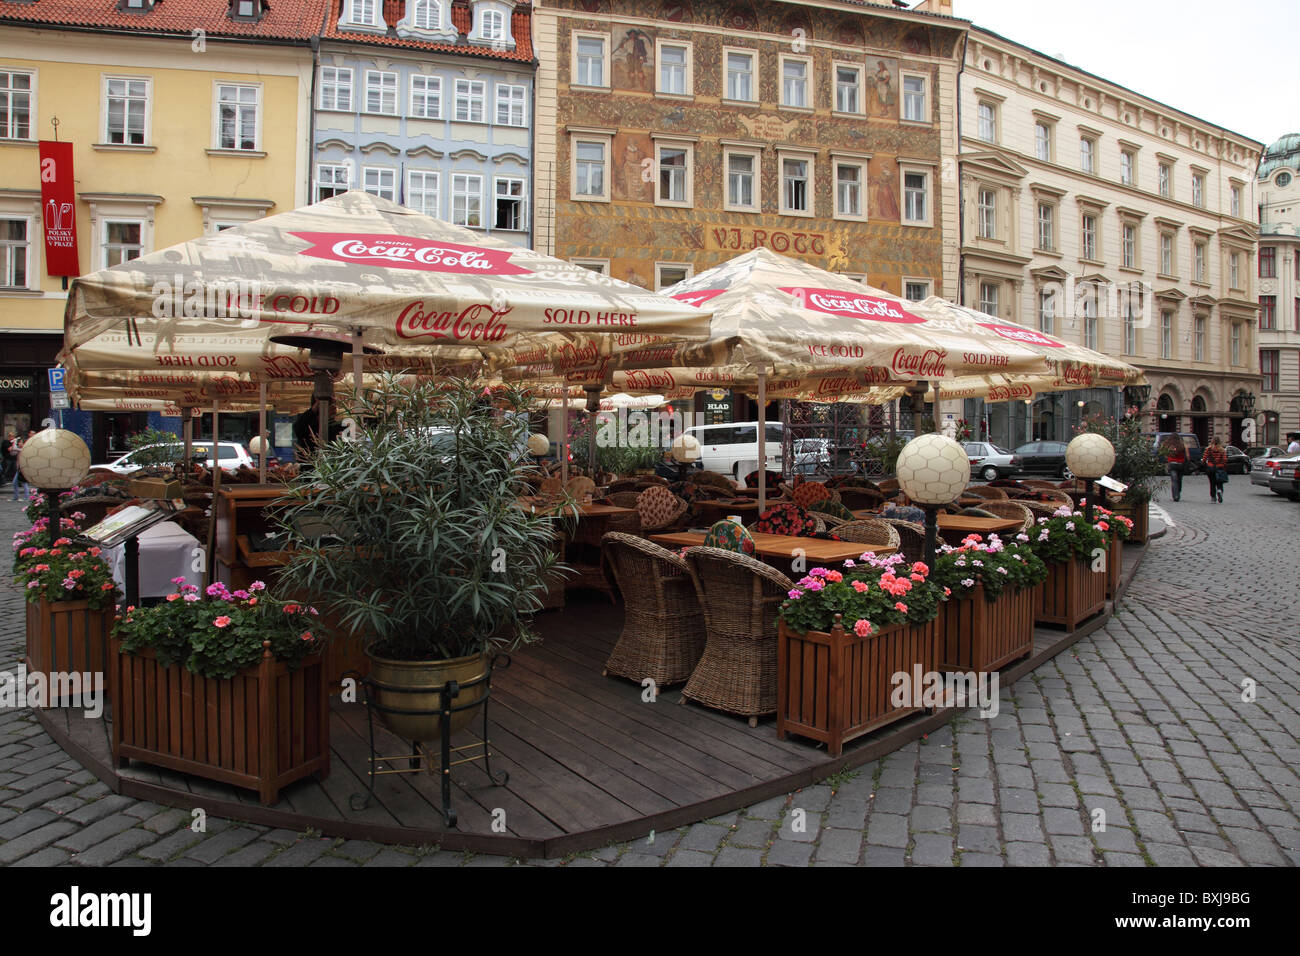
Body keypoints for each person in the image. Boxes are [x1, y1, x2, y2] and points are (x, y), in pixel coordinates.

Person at [1159, 435, 1187, 502]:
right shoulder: (1182, 445)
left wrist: (1167, 458)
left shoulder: (1168, 445)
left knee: (1174, 480)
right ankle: (1178, 492)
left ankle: (1175, 496)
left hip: (1172, 464)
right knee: (1179, 480)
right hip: (1180, 464)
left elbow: (1162, 451)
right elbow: (1188, 455)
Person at [1203, 436, 1228, 503]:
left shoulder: (1208, 449)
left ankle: (1213, 497)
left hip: (1210, 468)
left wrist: (1205, 466)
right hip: (1219, 467)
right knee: (1219, 482)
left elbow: (1204, 459)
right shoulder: (1222, 450)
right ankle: (1219, 491)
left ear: (1212, 441)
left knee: (1212, 483)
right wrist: (1223, 465)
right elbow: (1225, 460)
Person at [9, 431, 27, 501]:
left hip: (22, 469)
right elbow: (12, 453)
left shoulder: (23, 449)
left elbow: (14, 448)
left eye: (21, 442)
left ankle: (26, 497)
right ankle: (16, 497)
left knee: (23, 483)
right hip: (18, 469)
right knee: (15, 483)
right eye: (19, 442)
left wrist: (14, 441)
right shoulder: (19, 450)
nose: (20, 443)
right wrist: (14, 443)